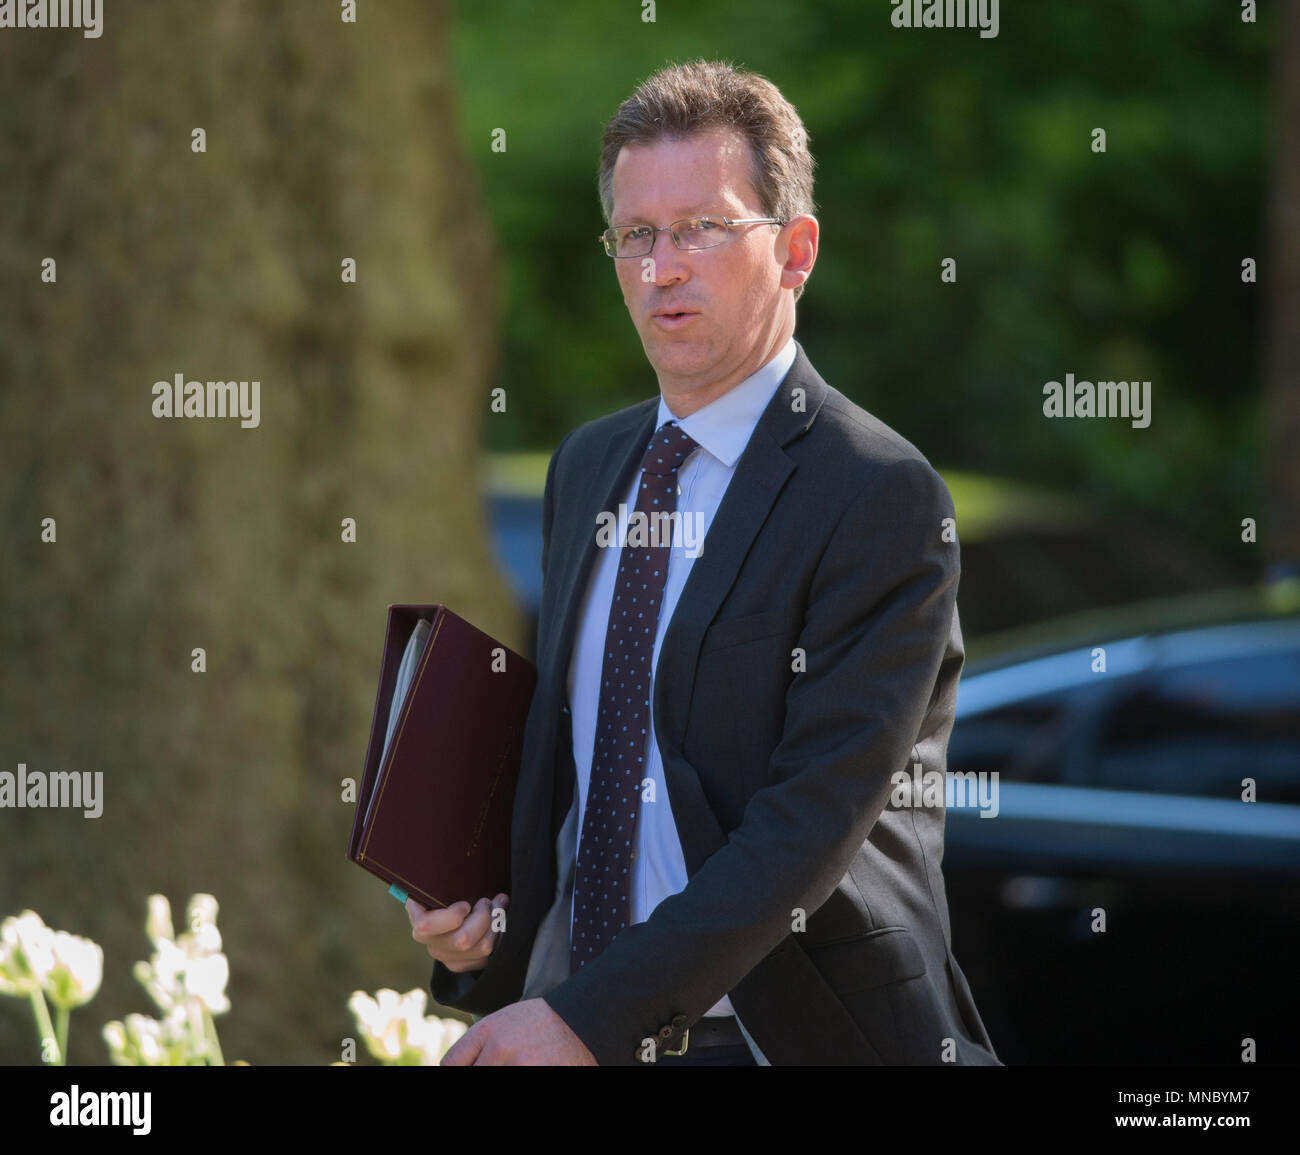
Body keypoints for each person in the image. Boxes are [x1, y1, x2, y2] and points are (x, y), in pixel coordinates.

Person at [408, 58, 999, 1067]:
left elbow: (806, 824)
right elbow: (576, 758)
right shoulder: (588, 465)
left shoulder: (877, 496)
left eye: (701, 228)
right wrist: (484, 919)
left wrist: (589, 1017)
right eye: (635, 235)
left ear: (796, 251)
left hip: (784, 1036)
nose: (660, 267)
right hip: (578, 1018)